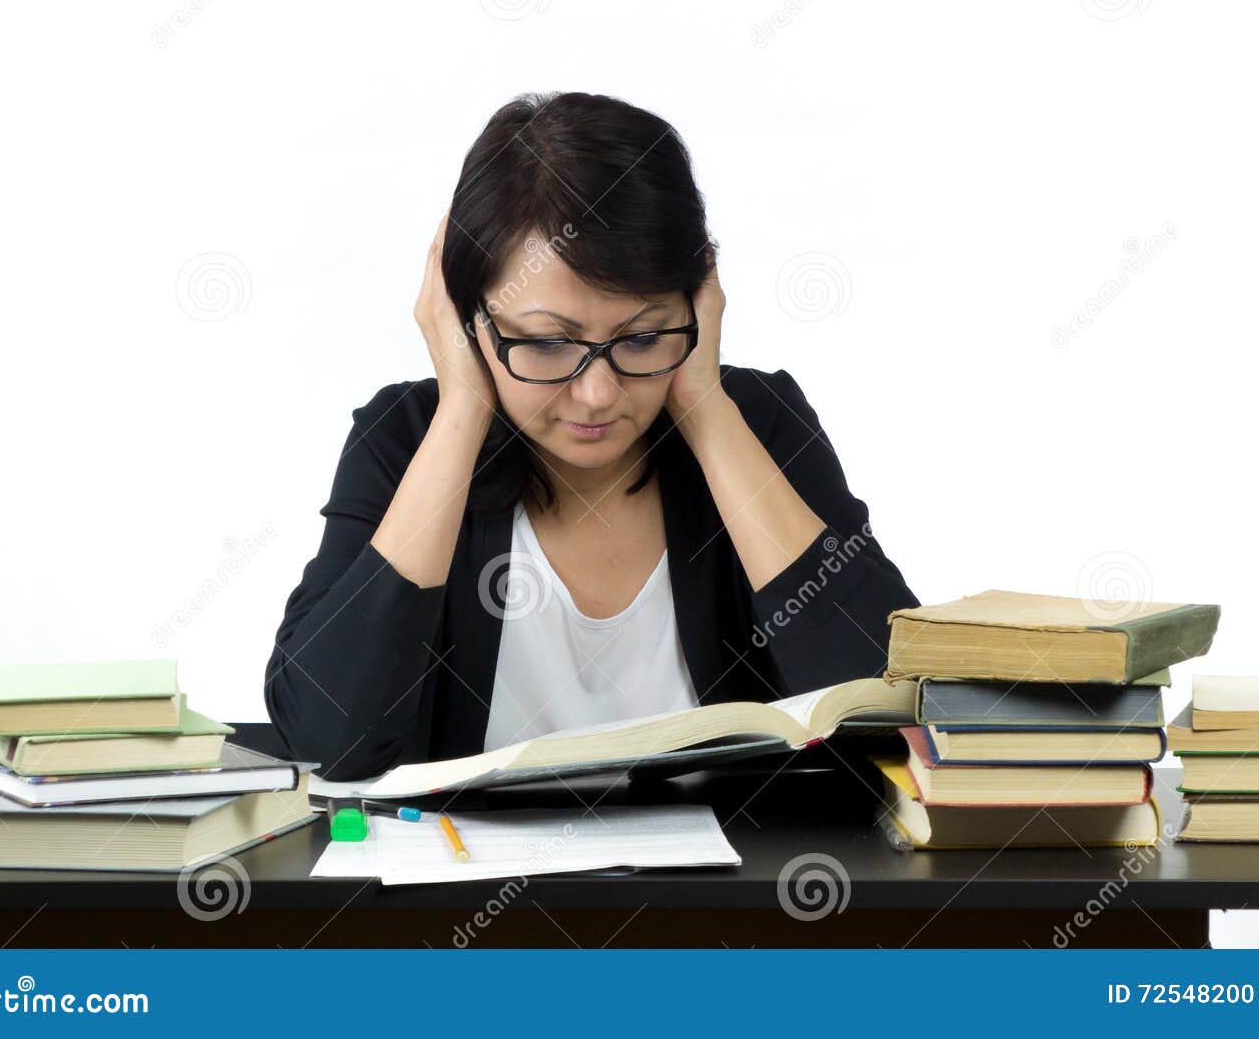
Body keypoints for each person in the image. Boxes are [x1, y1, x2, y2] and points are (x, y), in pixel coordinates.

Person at [264, 91, 917, 780]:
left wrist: (705, 407)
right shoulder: (405, 443)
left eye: (640, 336)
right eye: (547, 342)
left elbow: (891, 716)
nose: (598, 392)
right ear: (467, 318)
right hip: (464, 886)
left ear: (697, 305)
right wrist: (462, 408)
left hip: (731, 890)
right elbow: (328, 741)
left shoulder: (758, 423)